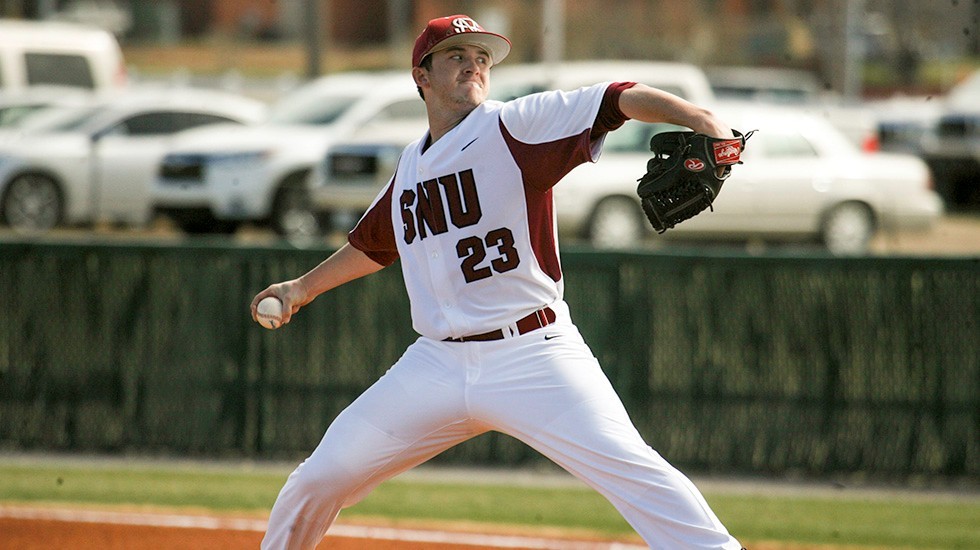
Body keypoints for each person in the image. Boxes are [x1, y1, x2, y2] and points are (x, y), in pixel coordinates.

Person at [251, 14, 744, 550]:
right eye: (457, 56)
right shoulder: (412, 166)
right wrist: (301, 289)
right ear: (422, 76)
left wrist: (698, 116)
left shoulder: (514, 126)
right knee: (321, 478)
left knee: (634, 472)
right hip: (435, 362)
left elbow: (615, 97)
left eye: (482, 57)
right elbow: (372, 245)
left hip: (532, 352)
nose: (474, 66)